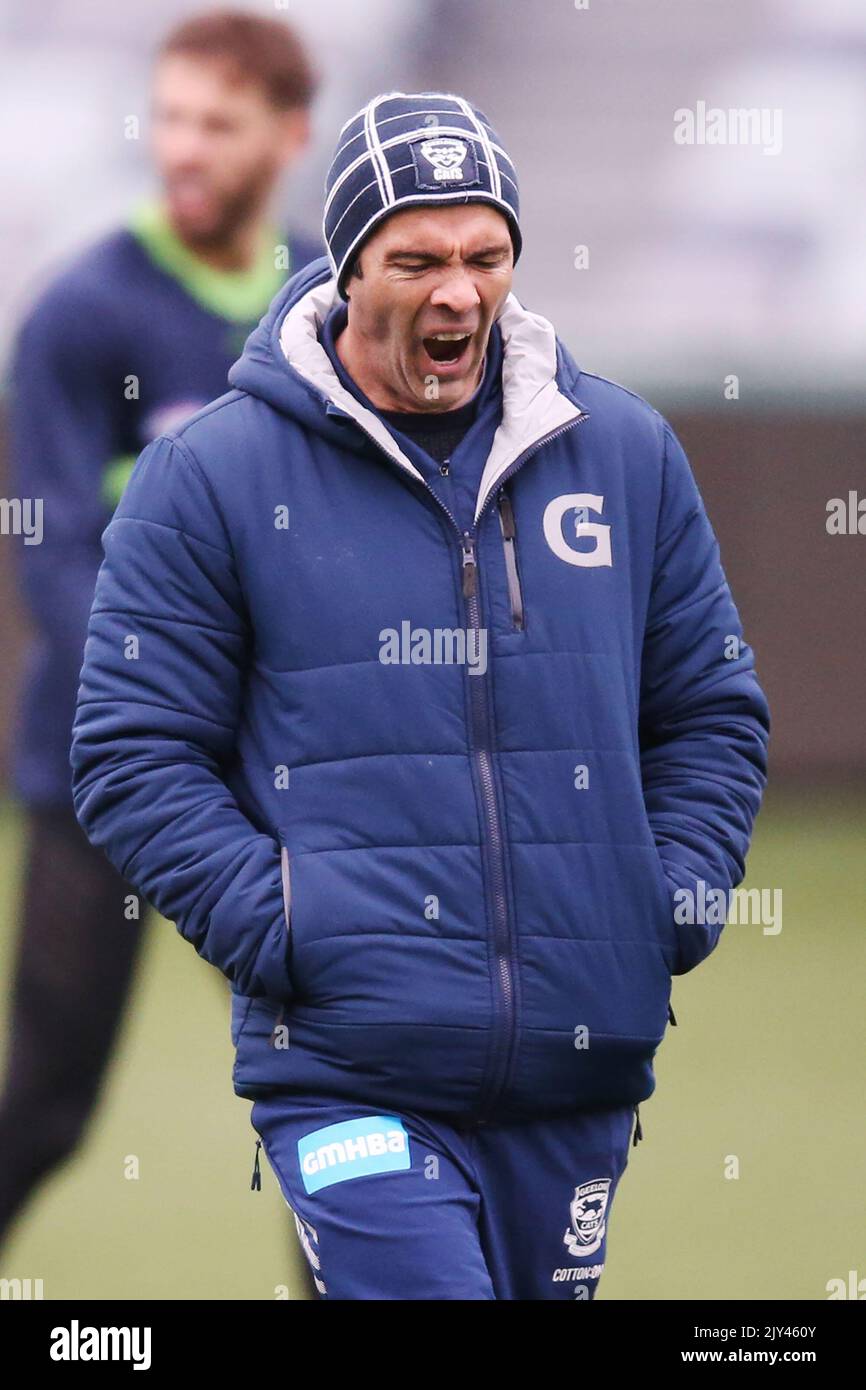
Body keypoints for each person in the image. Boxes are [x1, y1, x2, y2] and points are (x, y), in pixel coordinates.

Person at [69, 91, 770, 1300]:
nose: (458, 293)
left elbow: (708, 710)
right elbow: (131, 755)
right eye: (418, 260)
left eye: (486, 256)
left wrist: (666, 901)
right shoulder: (209, 476)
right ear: (347, 269)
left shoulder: (623, 450)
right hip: (348, 1069)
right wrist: (287, 920)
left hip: (580, 1064)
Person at [0, 10, 321, 1248]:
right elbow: (58, 558)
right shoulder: (83, 311)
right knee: (47, 1104)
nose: (183, 147)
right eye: (170, 117)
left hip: (284, 782)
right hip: (105, 775)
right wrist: (182, 714)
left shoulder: (322, 303)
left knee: (341, 1094)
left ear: (287, 135)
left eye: (216, 124)